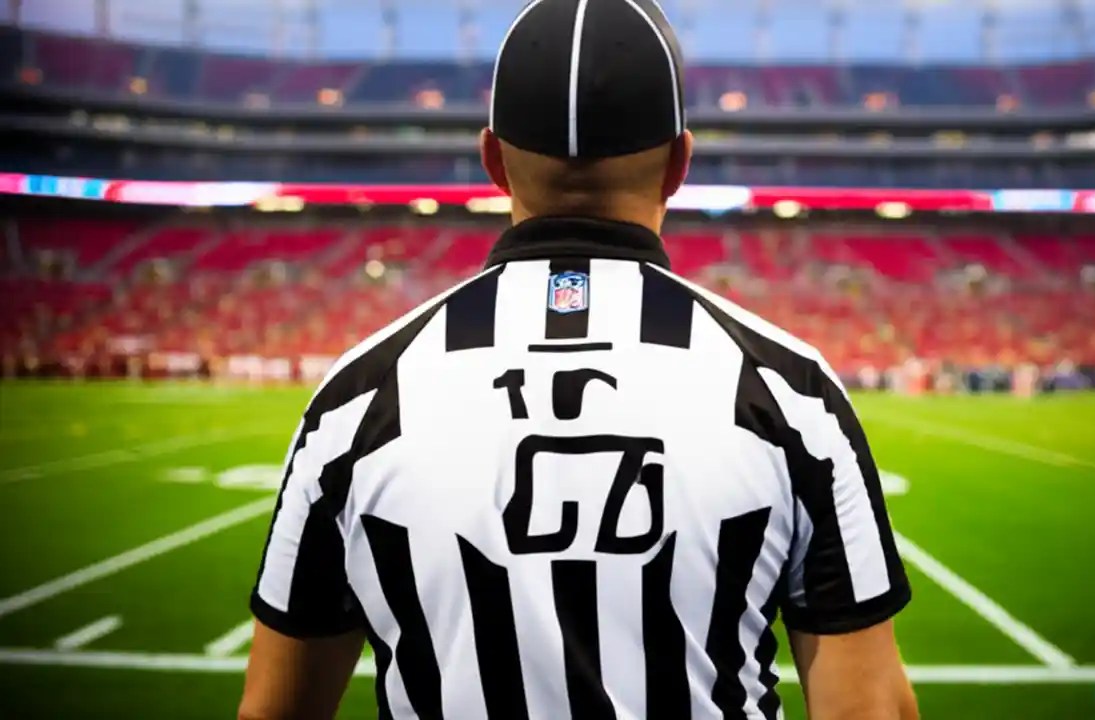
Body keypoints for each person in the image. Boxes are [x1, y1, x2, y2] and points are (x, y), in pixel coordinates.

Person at [239, 1, 916, 718]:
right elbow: (870, 708)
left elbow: (273, 710)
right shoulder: (791, 394)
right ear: (679, 163)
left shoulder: (357, 399)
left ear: (493, 160)